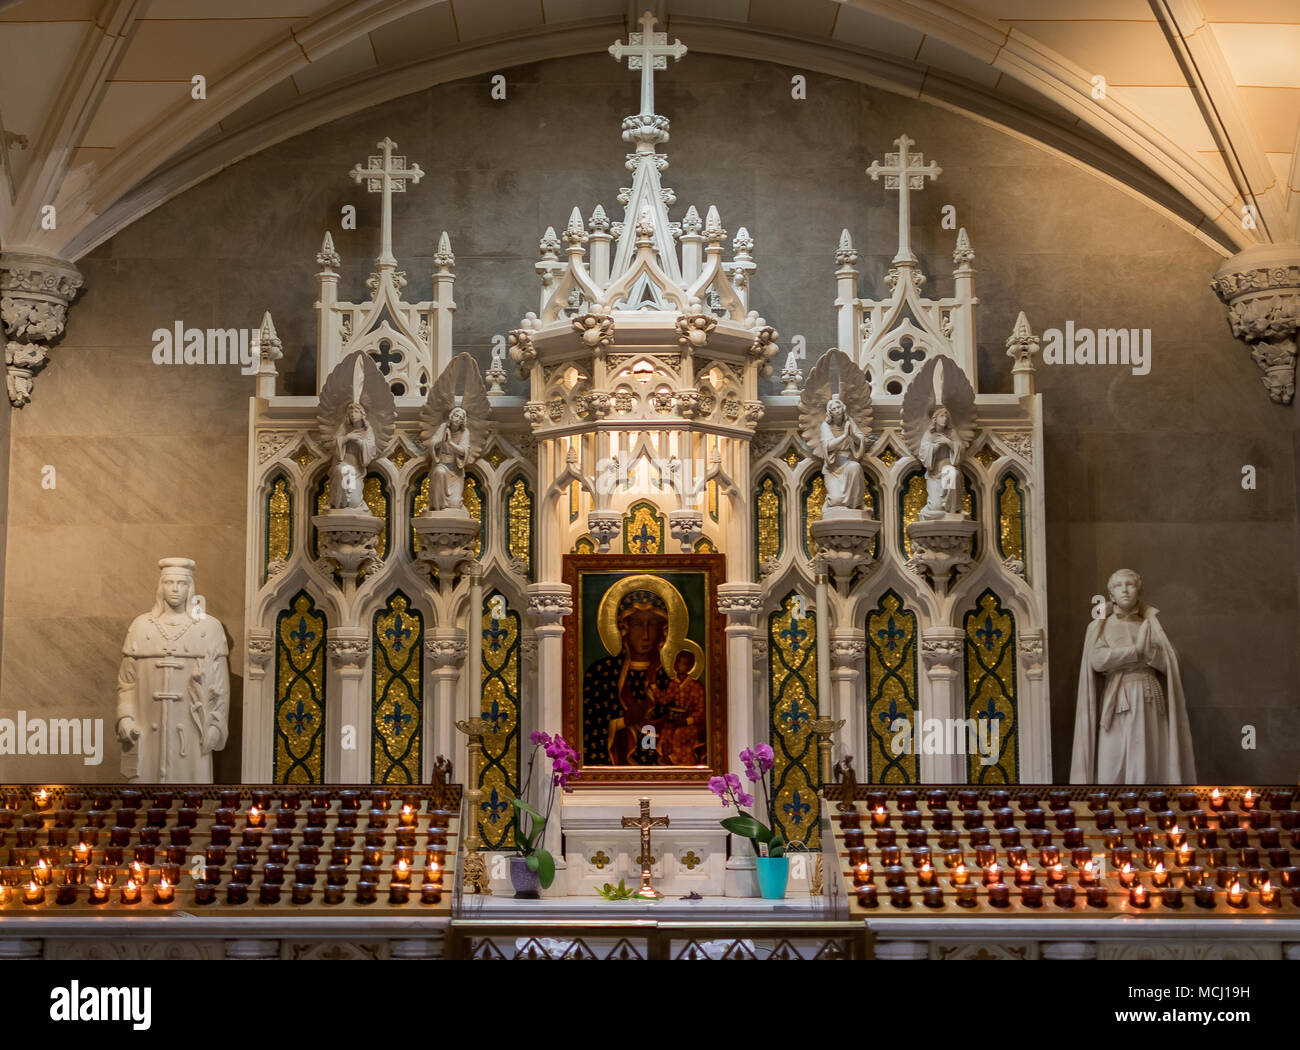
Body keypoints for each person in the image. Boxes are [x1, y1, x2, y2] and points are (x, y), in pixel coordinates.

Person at [1069, 569, 1196, 783]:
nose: (1125, 590)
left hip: (1149, 695)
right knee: (1112, 760)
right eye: (1119, 586)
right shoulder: (1101, 625)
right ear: (1111, 595)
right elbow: (1097, 660)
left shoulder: (1152, 627)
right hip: (1118, 696)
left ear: (1139, 591)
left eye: (1130, 584)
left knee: (1149, 755)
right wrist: (1134, 652)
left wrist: (1150, 654)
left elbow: (1171, 665)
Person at [117, 558, 230, 783]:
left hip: (190, 734)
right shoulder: (141, 626)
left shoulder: (209, 627)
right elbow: (127, 683)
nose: (175, 589)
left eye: (181, 583)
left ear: (191, 587)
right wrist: (125, 718)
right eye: (169, 583)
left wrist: (216, 725)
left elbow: (220, 687)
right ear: (161, 586)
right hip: (146, 731)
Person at [582, 590, 673, 765]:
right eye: (638, 624)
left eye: (653, 624)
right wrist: (623, 721)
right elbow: (589, 728)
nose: (645, 635)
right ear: (624, 628)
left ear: (663, 630)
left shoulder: (669, 677)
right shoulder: (602, 673)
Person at [819, 396, 867, 510]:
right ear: (830, 412)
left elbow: (860, 439)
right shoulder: (826, 426)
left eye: (838, 407)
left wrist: (852, 434)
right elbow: (828, 446)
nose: (837, 410)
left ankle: (857, 504)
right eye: (834, 409)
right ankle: (828, 505)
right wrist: (844, 436)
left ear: (843, 408)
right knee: (836, 501)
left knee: (855, 467)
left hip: (848, 463)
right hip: (833, 468)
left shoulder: (849, 422)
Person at [917, 405, 964, 518]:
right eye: (942, 416)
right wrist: (935, 447)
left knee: (952, 473)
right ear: (935, 419)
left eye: (946, 417)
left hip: (947, 467)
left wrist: (948, 442)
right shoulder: (929, 434)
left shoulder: (951, 433)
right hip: (934, 472)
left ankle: (952, 509)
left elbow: (961, 449)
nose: (945, 419)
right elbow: (923, 453)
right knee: (936, 508)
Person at [328, 401, 376, 509]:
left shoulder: (367, 430)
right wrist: (347, 438)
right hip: (343, 464)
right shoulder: (344, 428)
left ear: (362, 414)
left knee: (353, 503)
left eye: (356, 411)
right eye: (350, 413)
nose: (353, 414)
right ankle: (336, 503)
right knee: (342, 470)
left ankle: (356, 503)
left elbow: (371, 449)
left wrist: (359, 442)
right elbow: (333, 445)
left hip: (357, 471)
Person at [662, 650, 706, 765]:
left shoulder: (696, 686)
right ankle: (665, 759)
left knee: (679, 733)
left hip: (691, 723)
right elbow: (665, 699)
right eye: (677, 662)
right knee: (665, 731)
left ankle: (681, 762)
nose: (678, 665)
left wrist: (686, 721)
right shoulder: (673, 683)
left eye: (683, 663)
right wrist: (653, 688)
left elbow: (701, 712)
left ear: (690, 667)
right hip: (675, 720)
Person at [428, 405, 470, 511]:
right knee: (439, 472)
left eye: (461, 418)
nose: (458, 419)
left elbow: (464, 451)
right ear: (451, 416)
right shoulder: (443, 427)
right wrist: (442, 441)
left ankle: (453, 502)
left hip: (455, 470)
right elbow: (433, 443)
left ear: (463, 421)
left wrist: (450, 443)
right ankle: (437, 506)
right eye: (456, 415)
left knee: (455, 505)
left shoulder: (464, 432)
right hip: (442, 465)